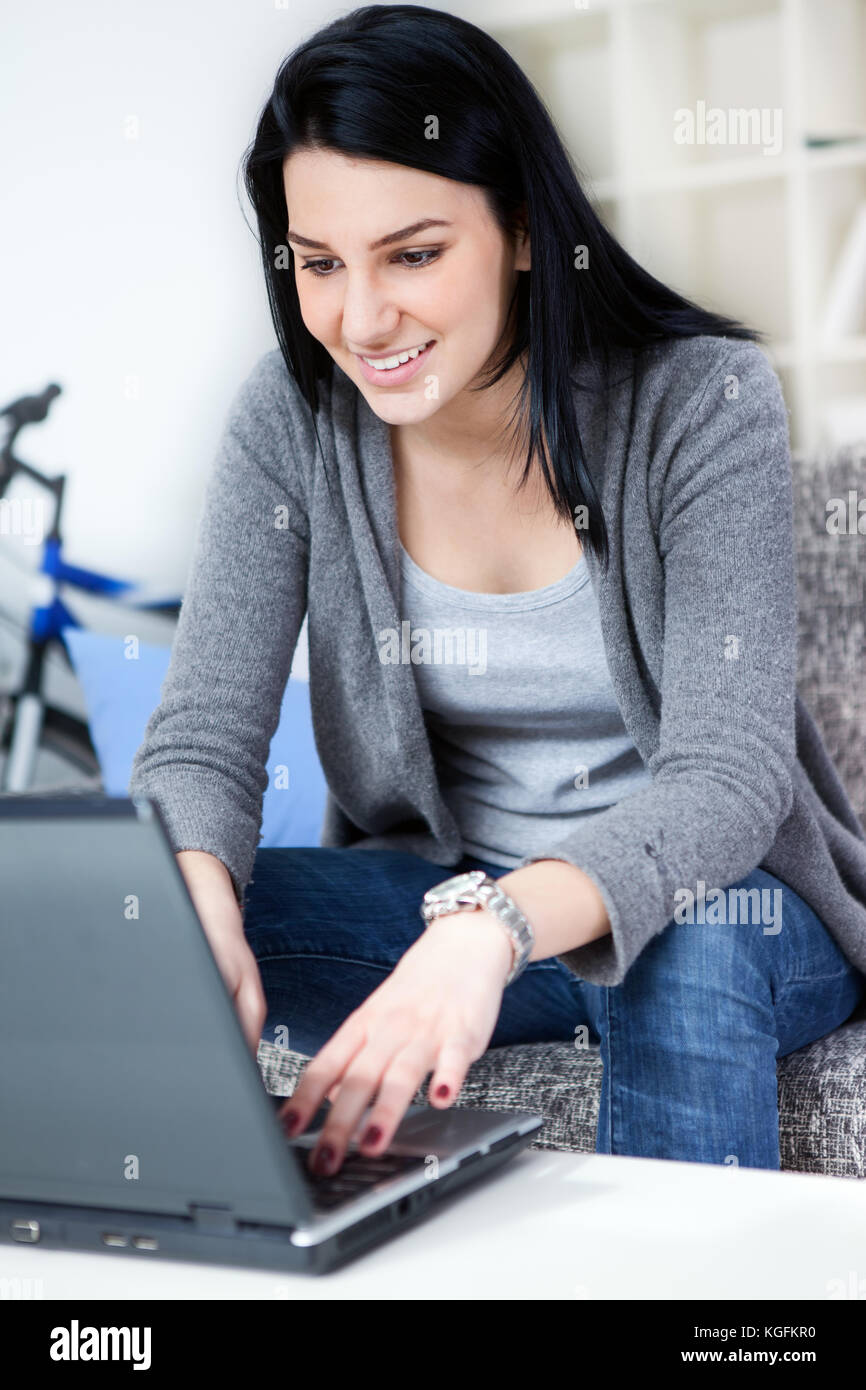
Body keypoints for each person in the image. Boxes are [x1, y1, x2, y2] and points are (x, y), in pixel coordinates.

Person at [129, 4, 866, 1180]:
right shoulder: (291, 420)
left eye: (412, 254)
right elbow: (207, 737)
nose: (361, 321)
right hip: (437, 900)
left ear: (523, 229)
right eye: (320, 264)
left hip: (724, 910)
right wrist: (190, 894)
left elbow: (727, 780)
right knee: (121, 933)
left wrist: (498, 926)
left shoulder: (700, 402)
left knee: (679, 956)